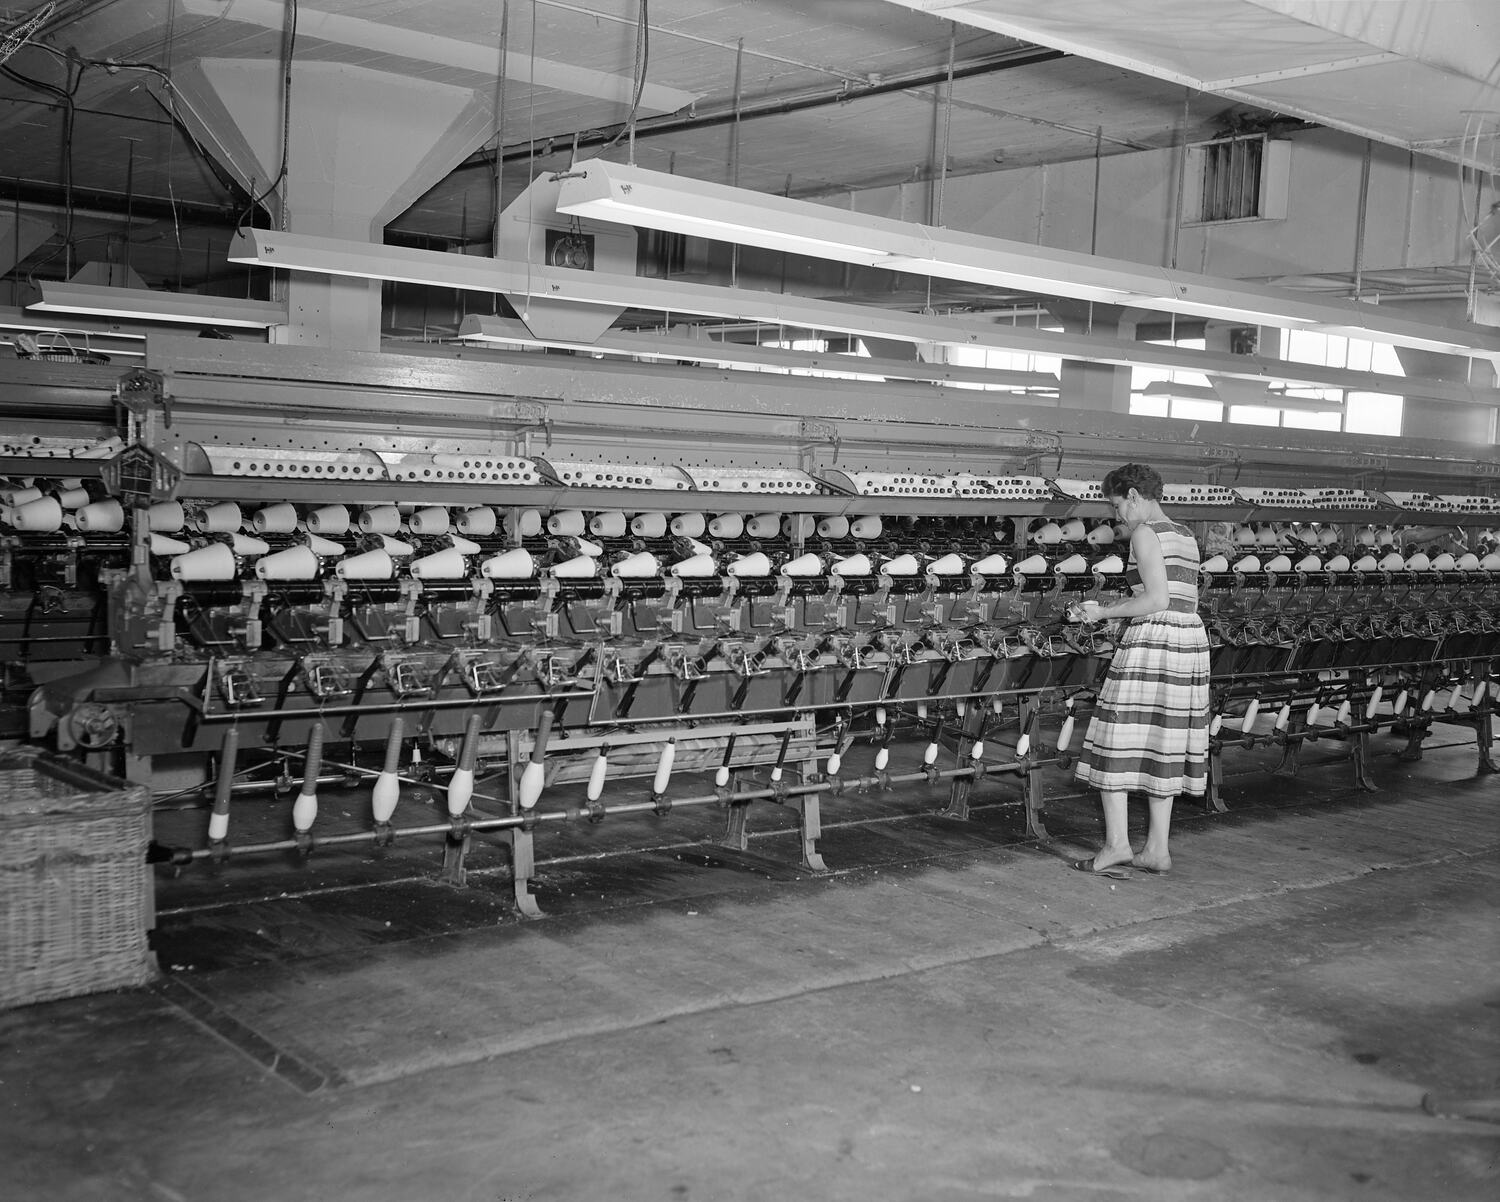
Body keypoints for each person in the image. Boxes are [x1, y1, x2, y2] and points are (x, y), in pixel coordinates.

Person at [1068, 463, 1210, 876]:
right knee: (1160, 742)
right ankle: (1157, 851)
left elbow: (1156, 600)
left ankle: (1116, 845)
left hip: (1155, 641)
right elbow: (1176, 596)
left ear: (1133, 495)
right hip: (1187, 643)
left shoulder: (1146, 533)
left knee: (1117, 734)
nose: (1117, 517)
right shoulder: (1185, 535)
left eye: (1116, 505)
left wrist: (1101, 613)